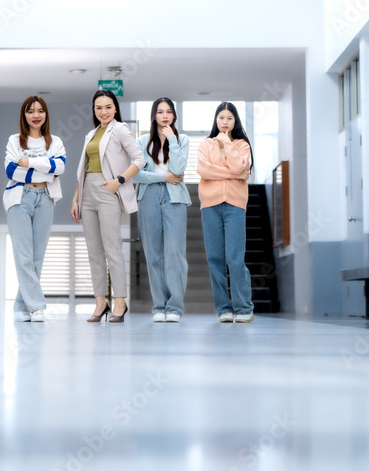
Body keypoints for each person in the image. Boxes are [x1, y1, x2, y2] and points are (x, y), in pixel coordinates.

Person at [71, 90, 145, 323]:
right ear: (94, 110)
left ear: (115, 109)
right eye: (98, 107)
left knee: (112, 249)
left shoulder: (120, 129)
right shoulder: (91, 134)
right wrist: (76, 198)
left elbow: (140, 159)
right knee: (94, 252)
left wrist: (119, 180)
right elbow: (85, 168)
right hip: (87, 192)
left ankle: (120, 302)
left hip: (107, 190)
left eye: (108, 107)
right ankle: (101, 302)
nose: (103, 111)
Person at [3, 95, 66, 322]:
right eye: (31, 111)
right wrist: (44, 168)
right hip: (20, 197)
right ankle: (37, 306)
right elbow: (11, 171)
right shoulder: (14, 141)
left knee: (37, 256)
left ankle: (22, 307)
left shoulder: (55, 142)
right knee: (24, 255)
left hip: (45, 197)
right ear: (24, 115)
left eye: (40, 111)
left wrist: (29, 163)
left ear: (46, 114)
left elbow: (59, 168)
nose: (36, 115)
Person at [134, 97, 191, 322]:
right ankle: (159, 306)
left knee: (175, 253)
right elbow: (136, 174)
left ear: (174, 116)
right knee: (153, 254)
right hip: (148, 196)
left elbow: (179, 169)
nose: (165, 116)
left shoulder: (182, 139)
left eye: (169, 112)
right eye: (160, 111)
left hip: (174, 197)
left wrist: (172, 141)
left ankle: (175, 307)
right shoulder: (141, 141)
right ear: (154, 116)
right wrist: (163, 176)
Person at [197, 101, 254, 323]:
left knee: (235, 258)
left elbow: (240, 166)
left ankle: (244, 308)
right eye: (222, 117)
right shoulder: (205, 144)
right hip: (210, 205)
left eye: (230, 118)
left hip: (235, 205)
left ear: (235, 121)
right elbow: (203, 170)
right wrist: (235, 173)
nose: (225, 122)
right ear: (216, 120)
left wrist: (227, 145)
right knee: (215, 258)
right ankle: (224, 309)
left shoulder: (242, 145)